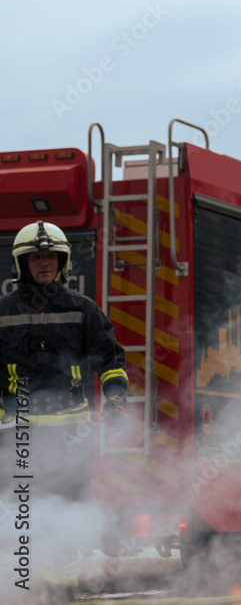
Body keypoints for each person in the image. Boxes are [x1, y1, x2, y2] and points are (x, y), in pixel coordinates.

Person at [0, 220, 128, 599]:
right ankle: (21, 591)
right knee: (22, 517)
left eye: (51, 257)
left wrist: (116, 398)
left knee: (67, 517)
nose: (45, 263)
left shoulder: (83, 310)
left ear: (63, 262)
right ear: (22, 263)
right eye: (37, 257)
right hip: (17, 435)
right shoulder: (2, 311)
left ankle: (61, 594)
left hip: (70, 436)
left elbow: (110, 359)